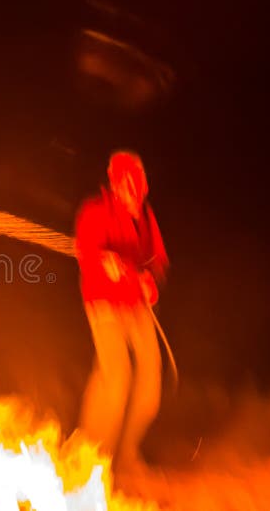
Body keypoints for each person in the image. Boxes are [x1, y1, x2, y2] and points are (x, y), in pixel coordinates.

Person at [74, 150, 169, 471]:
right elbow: (86, 250)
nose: (132, 190)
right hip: (104, 304)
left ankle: (127, 452)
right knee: (116, 376)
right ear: (115, 183)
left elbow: (156, 261)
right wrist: (104, 262)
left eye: (138, 183)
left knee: (151, 379)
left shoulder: (146, 217)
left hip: (136, 305)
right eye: (126, 183)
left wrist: (150, 282)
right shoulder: (95, 210)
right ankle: (92, 455)